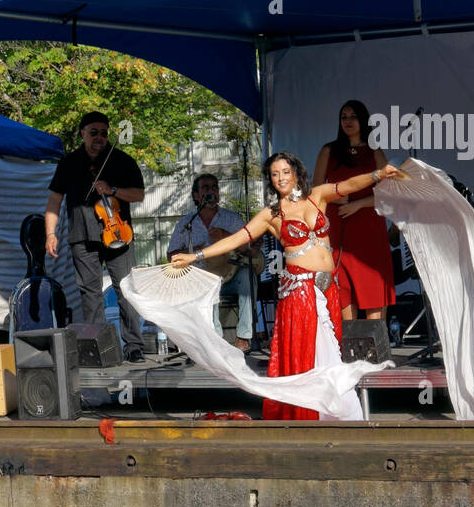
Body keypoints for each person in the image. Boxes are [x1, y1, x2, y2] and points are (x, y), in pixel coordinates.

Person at [171, 152, 404, 420]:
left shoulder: (318, 195)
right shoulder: (272, 214)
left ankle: (333, 414)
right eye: (274, 174)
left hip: (327, 288)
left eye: (285, 172)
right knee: (315, 356)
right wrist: (195, 256)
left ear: (295, 173)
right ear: (270, 180)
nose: (280, 178)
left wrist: (378, 174)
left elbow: (349, 185)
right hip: (300, 293)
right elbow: (236, 240)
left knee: (332, 352)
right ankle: (325, 415)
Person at [45, 111, 146, 362]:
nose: (100, 137)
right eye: (94, 132)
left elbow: (139, 194)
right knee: (89, 294)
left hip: (118, 234)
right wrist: (50, 233)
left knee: (126, 290)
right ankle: (101, 349)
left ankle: (134, 346)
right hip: (82, 236)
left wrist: (113, 190)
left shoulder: (121, 160)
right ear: (82, 133)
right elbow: (54, 200)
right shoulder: (68, 163)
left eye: (104, 132)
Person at [313, 100, 395, 321]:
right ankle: (347, 349)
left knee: (372, 286)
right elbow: (316, 190)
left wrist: (358, 204)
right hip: (338, 225)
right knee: (342, 288)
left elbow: (390, 193)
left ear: (363, 120)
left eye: (353, 117)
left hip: (368, 227)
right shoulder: (329, 150)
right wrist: (339, 198)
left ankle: (374, 351)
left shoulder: (374, 152)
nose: (347, 121)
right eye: (344, 117)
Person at [167, 174, 258, 351]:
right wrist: (195, 251)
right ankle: (216, 342)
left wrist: (225, 235)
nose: (211, 191)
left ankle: (243, 337)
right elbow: (171, 255)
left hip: (230, 277)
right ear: (196, 195)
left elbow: (251, 250)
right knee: (208, 282)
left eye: (214, 187)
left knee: (248, 276)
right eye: (206, 188)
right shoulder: (187, 223)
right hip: (201, 279)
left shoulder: (232, 219)